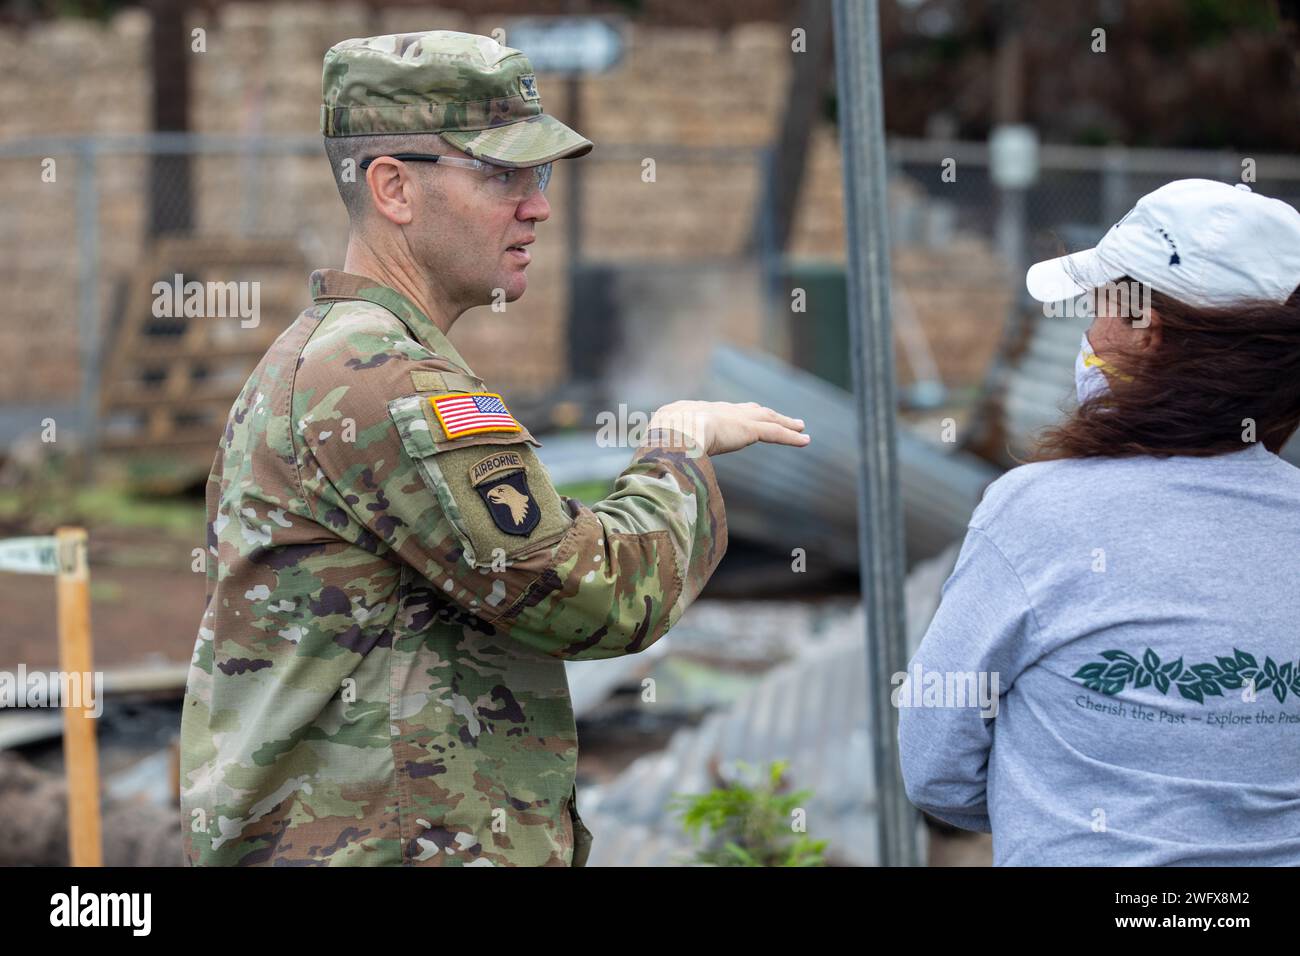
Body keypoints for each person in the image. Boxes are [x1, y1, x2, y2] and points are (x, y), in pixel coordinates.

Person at [178, 30, 809, 867]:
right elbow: (598, 595)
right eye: (502, 173)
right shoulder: (381, 376)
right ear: (394, 187)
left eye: (538, 175)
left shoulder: (341, 354)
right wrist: (676, 453)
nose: (538, 205)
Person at [898, 178, 1300, 865]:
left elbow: (934, 763)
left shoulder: (1034, 513)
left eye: (1102, 305)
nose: (1087, 331)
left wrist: (1047, 801)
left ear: (1150, 332)